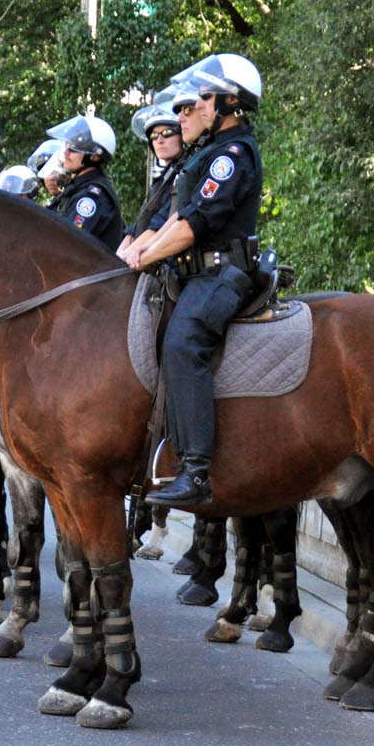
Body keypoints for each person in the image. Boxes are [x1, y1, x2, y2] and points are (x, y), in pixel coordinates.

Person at [125, 53, 264, 507]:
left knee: (184, 342)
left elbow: (193, 227)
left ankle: (197, 470)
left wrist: (144, 256)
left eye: (202, 99)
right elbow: (176, 219)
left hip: (223, 272)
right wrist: (140, 254)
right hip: (197, 271)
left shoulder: (233, 155)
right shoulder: (208, 154)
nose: (191, 108)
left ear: (230, 103)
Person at [118, 91, 201, 263]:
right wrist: (115, 260)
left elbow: (159, 225)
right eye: (154, 136)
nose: (159, 140)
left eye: (168, 132)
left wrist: (124, 261)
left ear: (182, 135)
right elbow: (136, 228)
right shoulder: (164, 178)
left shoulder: (187, 173)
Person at [44, 114, 126, 252]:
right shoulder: (77, 188)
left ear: (94, 156)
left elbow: (66, 243)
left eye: (74, 149)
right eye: (67, 145)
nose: (65, 152)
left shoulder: (92, 196)